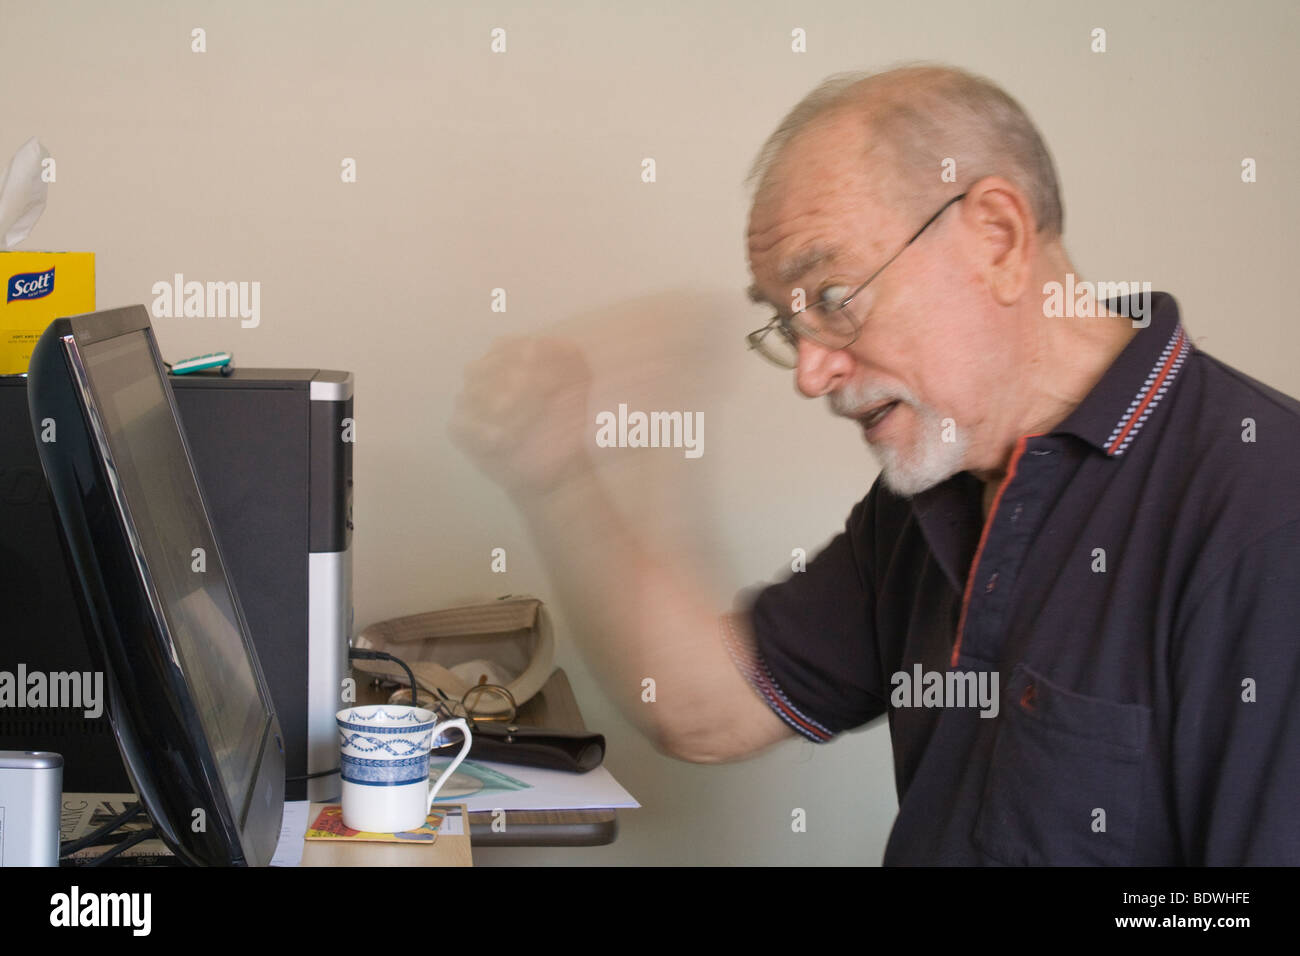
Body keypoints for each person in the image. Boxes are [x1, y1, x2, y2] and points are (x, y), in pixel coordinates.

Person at [449, 64, 1300, 865]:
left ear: (998, 239)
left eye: (831, 299)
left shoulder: (1266, 512)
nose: (811, 372)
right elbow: (707, 710)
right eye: (789, 324)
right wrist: (561, 474)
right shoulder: (934, 486)